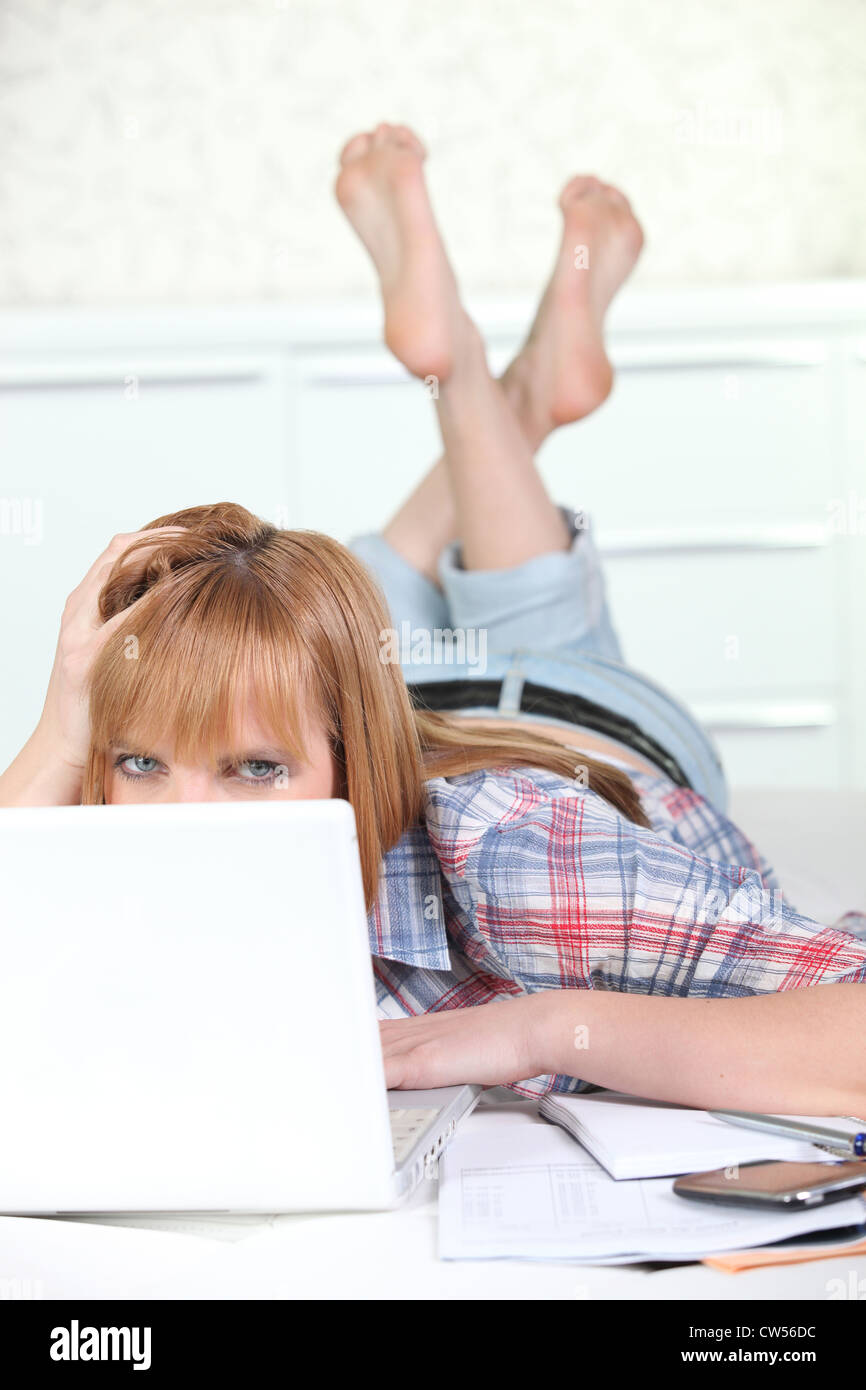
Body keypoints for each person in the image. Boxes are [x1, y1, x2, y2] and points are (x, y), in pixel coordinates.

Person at [2, 124, 863, 1118]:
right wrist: (64, 729)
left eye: (254, 769)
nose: (184, 823)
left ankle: (472, 374)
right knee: (300, 601)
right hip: (386, 681)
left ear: (349, 759)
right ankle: (515, 391)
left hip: (583, 717)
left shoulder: (523, 857)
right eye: (140, 761)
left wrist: (533, 1025)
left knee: (519, 617)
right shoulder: (116, 812)